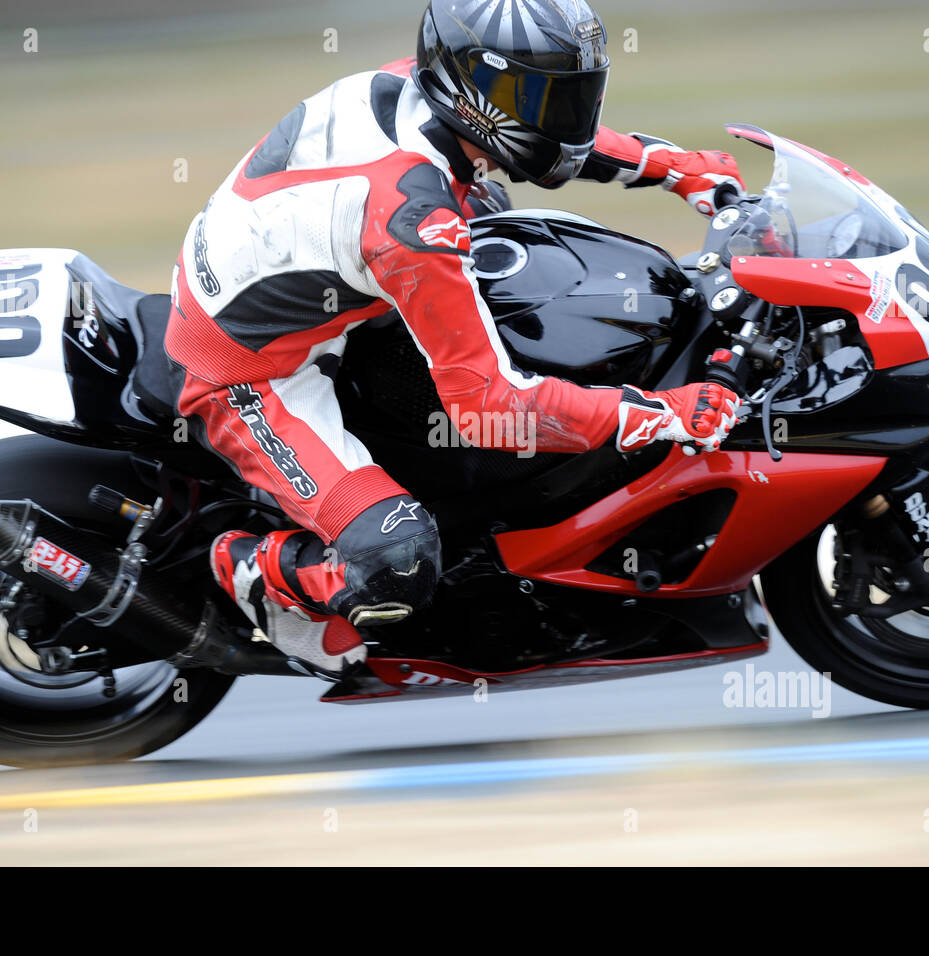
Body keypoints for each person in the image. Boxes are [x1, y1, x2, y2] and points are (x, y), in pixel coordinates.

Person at [165, 0, 745, 678]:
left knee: (499, 229)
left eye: (575, 92)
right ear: (476, 91)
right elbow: (490, 408)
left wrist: (673, 165)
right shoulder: (417, 221)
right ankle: (251, 569)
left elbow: (560, 144)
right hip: (250, 372)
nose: (566, 113)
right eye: (539, 94)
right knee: (397, 559)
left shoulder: (419, 92)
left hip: (298, 278)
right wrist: (662, 415)